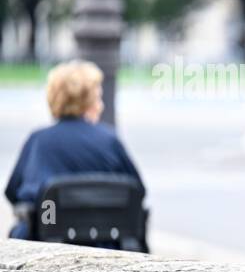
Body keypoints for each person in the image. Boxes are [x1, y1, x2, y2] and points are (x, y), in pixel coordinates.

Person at [6, 60, 143, 240]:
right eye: (98, 98)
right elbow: (137, 192)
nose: (101, 105)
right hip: (104, 243)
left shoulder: (38, 141)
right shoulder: (109, 140)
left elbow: (13, 192)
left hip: (49, 243)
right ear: (88, 102)